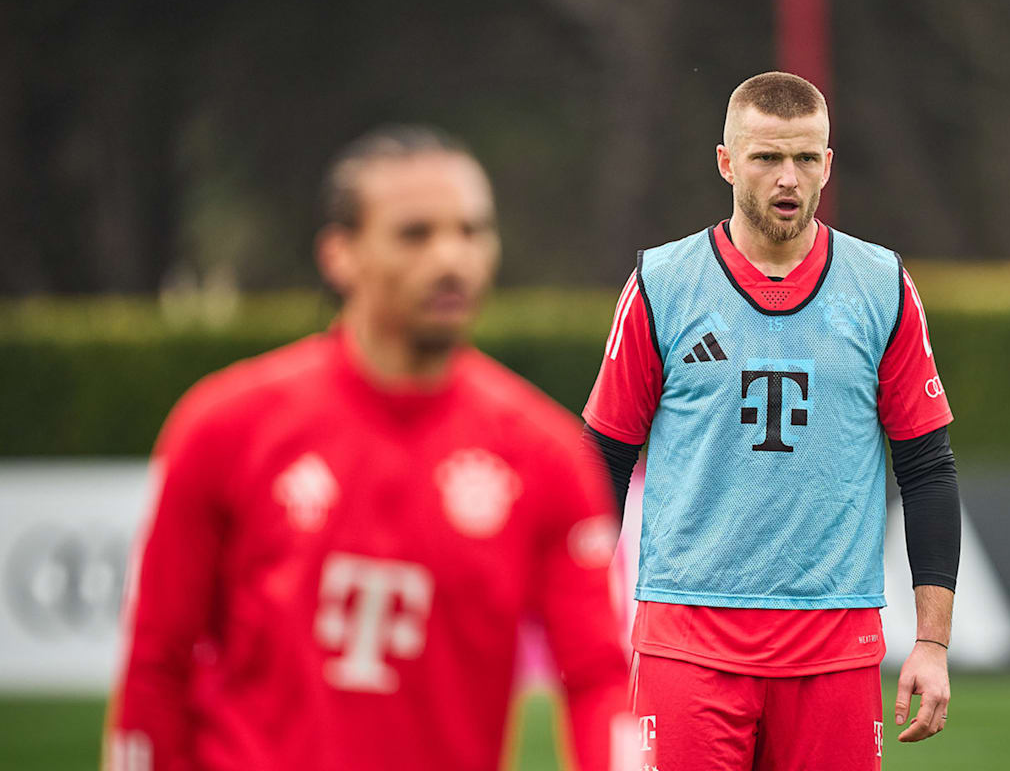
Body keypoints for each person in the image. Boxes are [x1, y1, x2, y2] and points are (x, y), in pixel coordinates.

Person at [105, 126, 632, 771]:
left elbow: (599, 678)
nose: (452, 258)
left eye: (471, 231)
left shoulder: (544, 455)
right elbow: (157, 663)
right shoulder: (224, 427)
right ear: (340, 254)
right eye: (416, 234)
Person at [583, 71, 962, 770]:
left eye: (806, 158)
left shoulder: (882, 285)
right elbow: (602, 460)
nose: (788, 177)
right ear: (728, 162)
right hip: (686, 640)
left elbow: (927, 467)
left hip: (836, 648)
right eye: (766, 157)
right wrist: (581, 636)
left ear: (827, 163)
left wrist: (933, 644)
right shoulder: (662, 284)